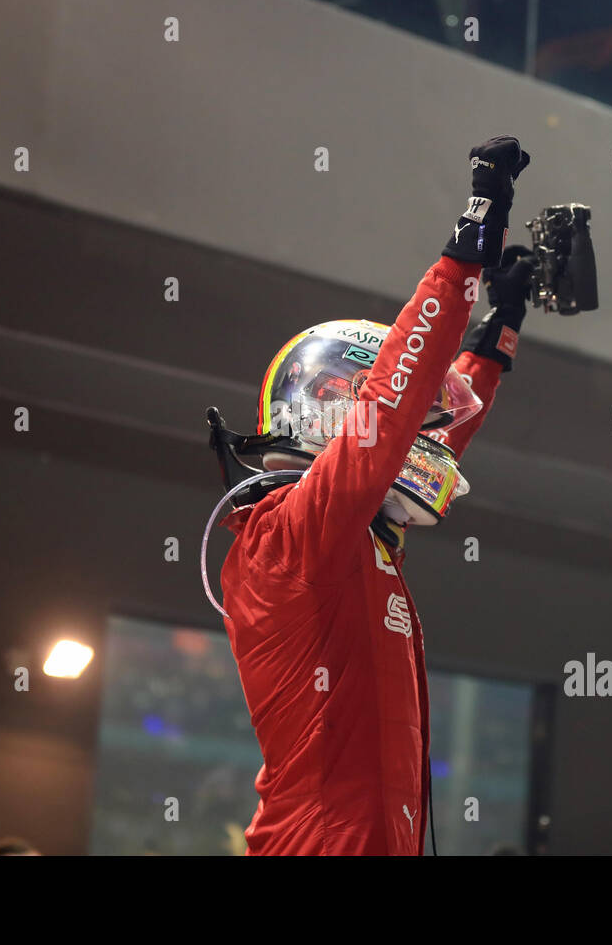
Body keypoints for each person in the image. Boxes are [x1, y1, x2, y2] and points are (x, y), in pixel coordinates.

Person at [219, 136, 538, 855]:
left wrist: (497, 337)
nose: (406, 436)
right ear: (332, 408)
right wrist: (466, 253)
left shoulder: (348, 530)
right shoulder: (284, 537)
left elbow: (428, 441)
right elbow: (393, 414)